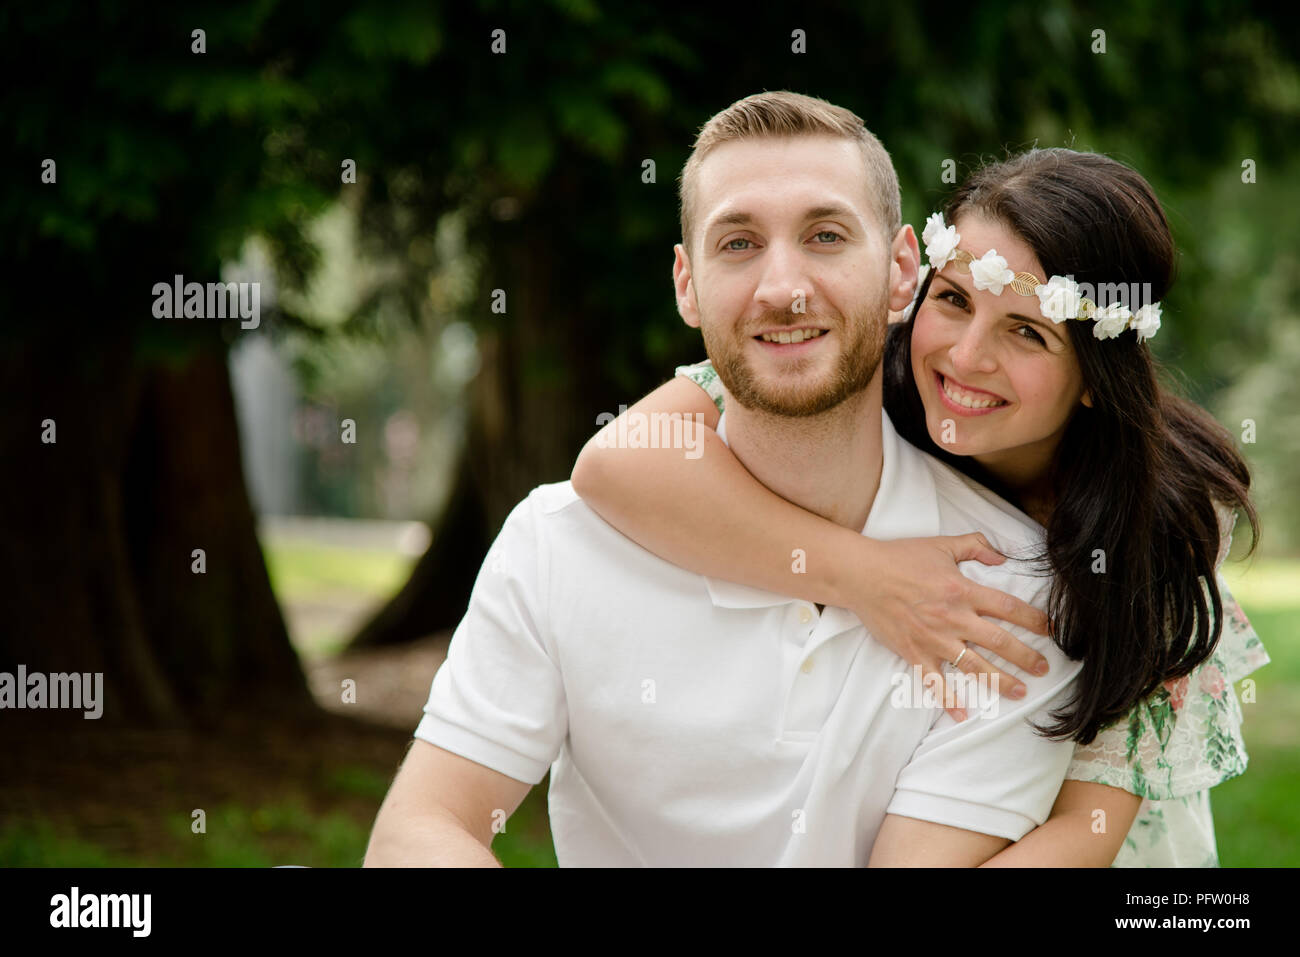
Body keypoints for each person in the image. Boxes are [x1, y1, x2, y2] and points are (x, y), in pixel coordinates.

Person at [366, 91, 1090, 867]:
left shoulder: (1013, 596)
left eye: (826, 235)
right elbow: (422, 828)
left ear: (902, 271)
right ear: (687, 284)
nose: (783, 287)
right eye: (739, 243)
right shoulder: (559, 542)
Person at [571, 143, 1269, 866]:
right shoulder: (855, 369)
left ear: (1096, 374)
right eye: (955, 299)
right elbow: (619, 459)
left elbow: (1082, 831)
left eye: (1026, 331)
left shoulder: (1149, 533)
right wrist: (865, 576)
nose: (966, 358)